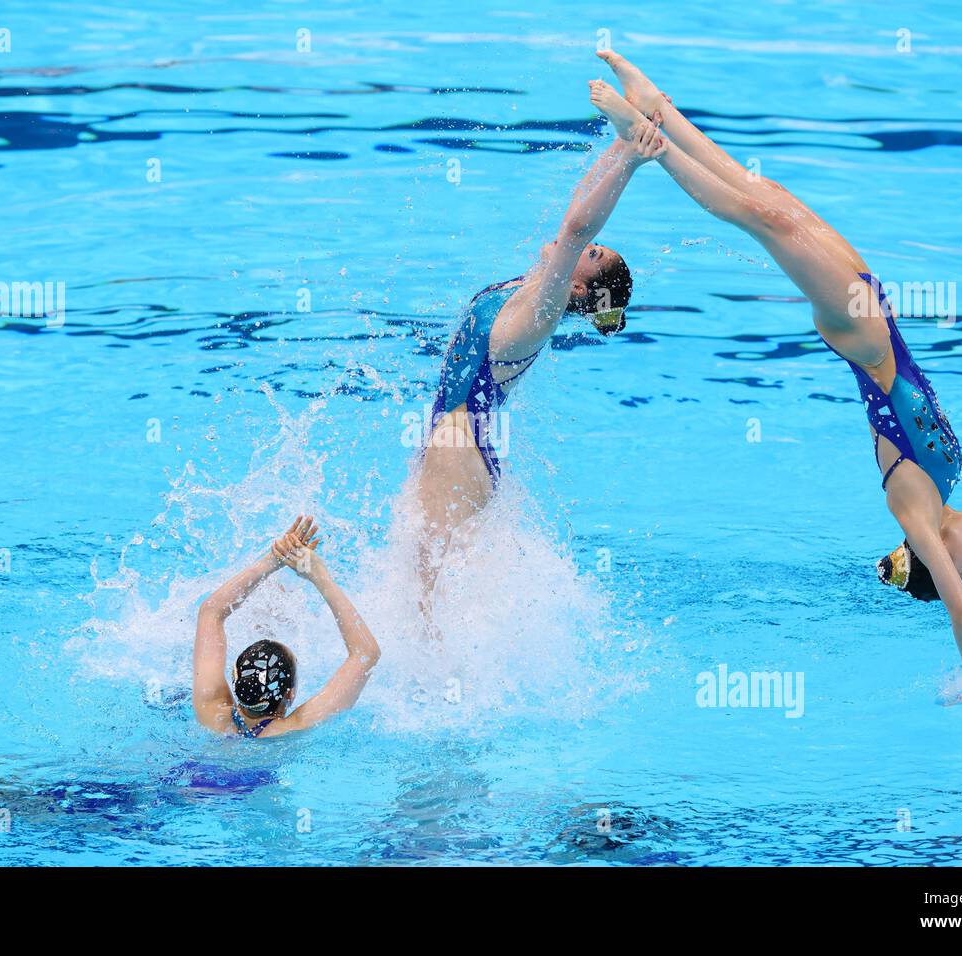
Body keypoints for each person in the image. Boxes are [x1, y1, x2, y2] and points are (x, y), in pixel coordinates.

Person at [589, 51, 962, 698]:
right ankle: (657, 106)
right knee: (765, 194)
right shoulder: (947, 493)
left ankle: (649, 141)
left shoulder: (912, 506)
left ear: (940, 560)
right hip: (872, 302)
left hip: (860, 332)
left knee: (759, 216)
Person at [411, 110, 668, 606]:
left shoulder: (539, 314)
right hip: (458, 449)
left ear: (576, 286)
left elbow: (575, 227)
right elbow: (577, 210)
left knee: (425, 600)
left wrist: (633, 163)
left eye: (592, 254)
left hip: (456, 451)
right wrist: (623, 135)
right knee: (430, 591)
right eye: (594, 246)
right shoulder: (534, 290)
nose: (585, 243)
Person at [192, 515, 381, 736]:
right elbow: (366, 653)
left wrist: (271, 560)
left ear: (235, 678)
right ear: (290, 695)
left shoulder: (210, 710)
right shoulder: (293, 729)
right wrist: (320, 577)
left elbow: (211, 611)